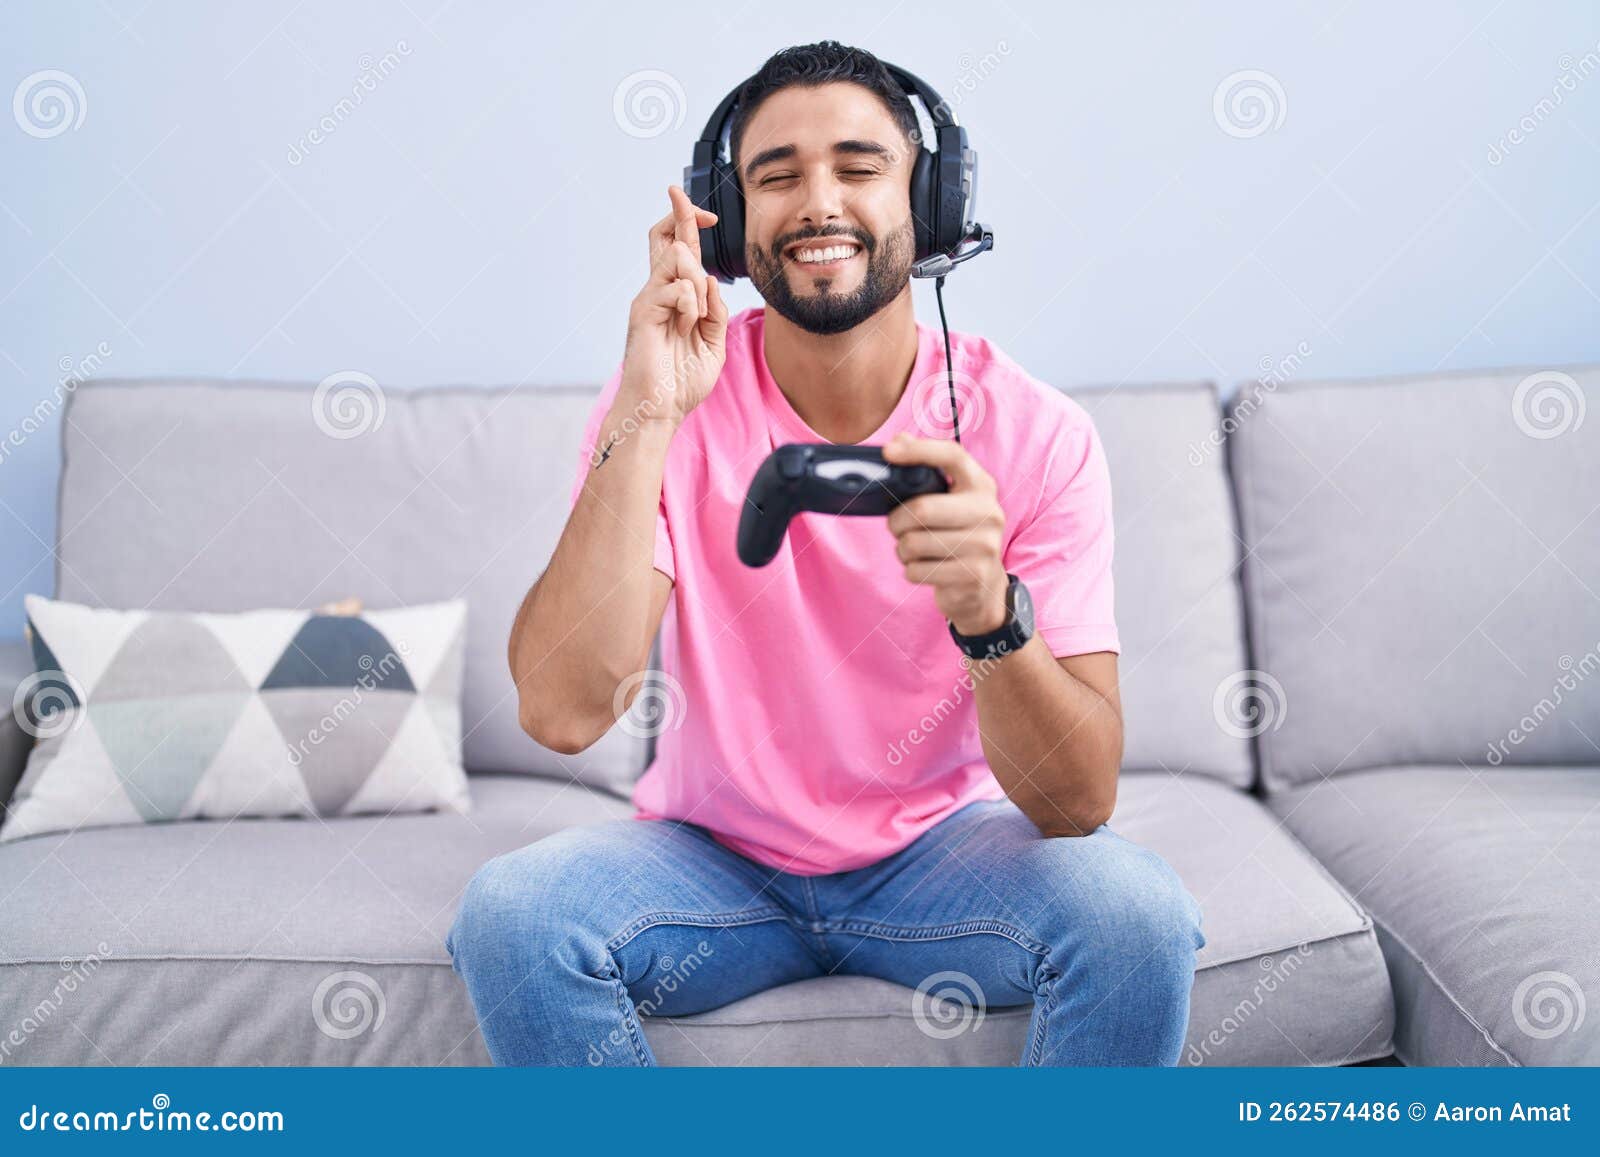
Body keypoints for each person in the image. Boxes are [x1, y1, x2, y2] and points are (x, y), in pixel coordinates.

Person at [448, 40, 1205, 1066]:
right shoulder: (664, 402)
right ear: (730, 217)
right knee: (512, 914)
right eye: (776, 176)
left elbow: (1077, 802)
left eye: (858, 168)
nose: (817, 203)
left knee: (1135, 914)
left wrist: (991, 613)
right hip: (714, 861)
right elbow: (562, 710)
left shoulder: (1038, 434)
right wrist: (647, 412)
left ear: (930, 200)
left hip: (944, 856)